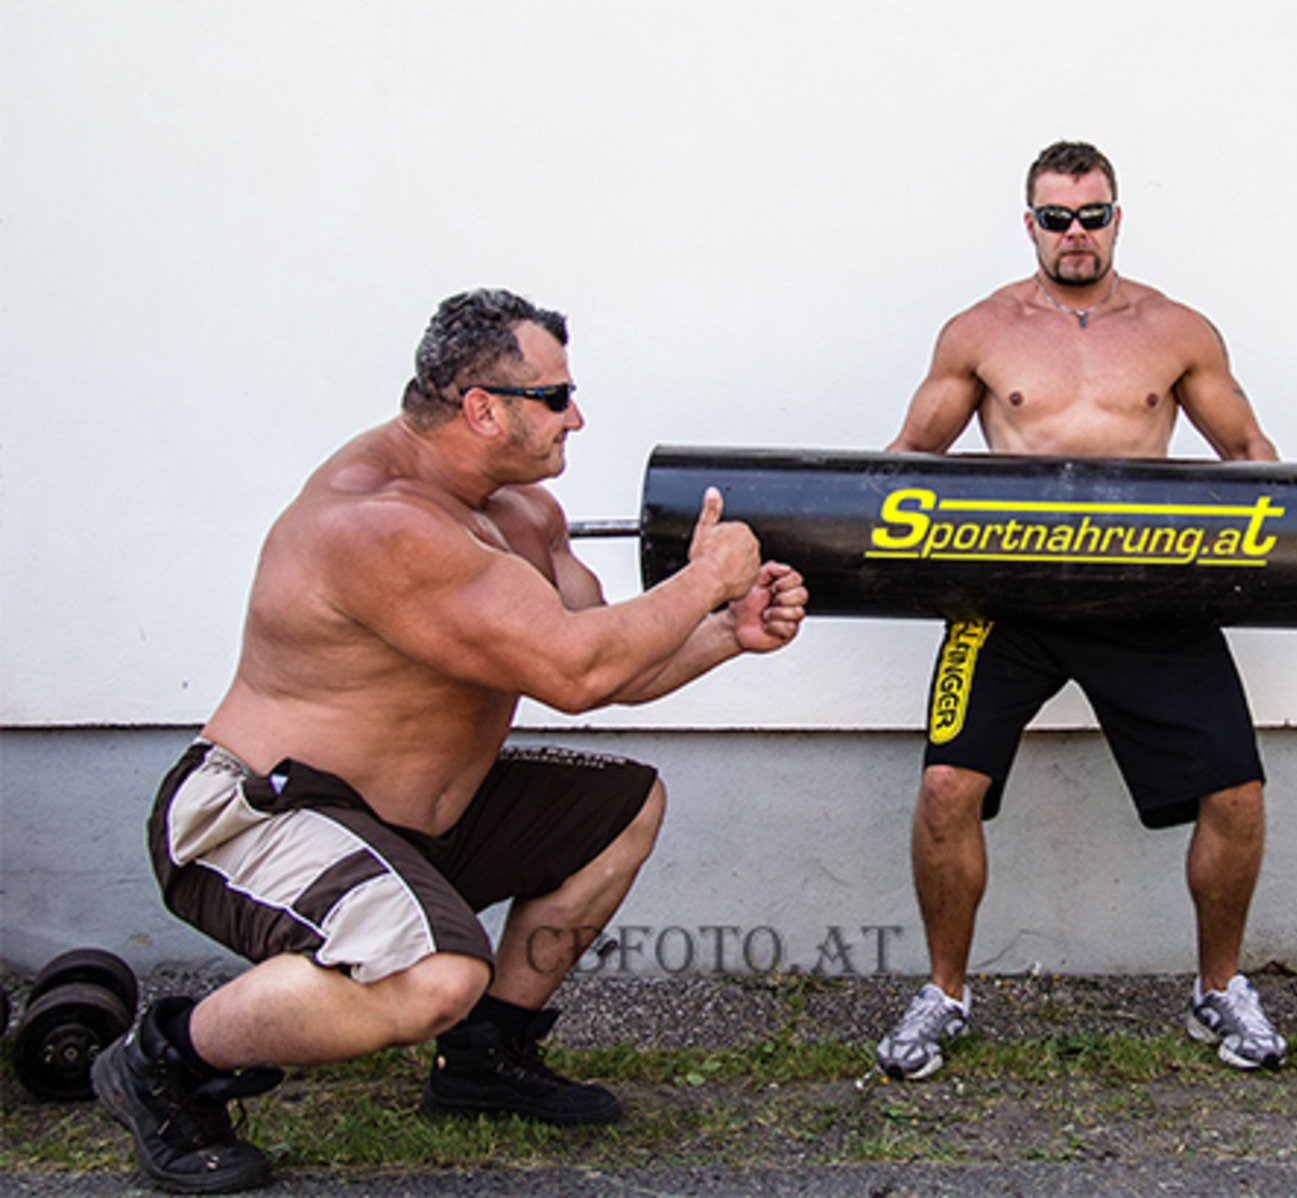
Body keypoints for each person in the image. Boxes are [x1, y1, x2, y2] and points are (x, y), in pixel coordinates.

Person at [92, 289, 806, 1194]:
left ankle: (483, 1059)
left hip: (410, 824)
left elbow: (603, 670)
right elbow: (574, 670)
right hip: (260, 816)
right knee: (436, 974)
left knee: (622, 806)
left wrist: (722, 632)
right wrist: (703, 578)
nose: (577, 417)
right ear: (482, 408)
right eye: (556, 397)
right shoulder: (381, 524)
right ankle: (164, 1060)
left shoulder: (519, 514)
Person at [875, 141, 1286, 1082]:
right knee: (947, 788)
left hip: (1148, 586)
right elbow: (912, 455)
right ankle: (944, 995)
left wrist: (1280, 522)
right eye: (1055, 218)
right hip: (1006, 592)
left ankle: (1218, 990)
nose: (1074, 234)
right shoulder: (978, 331)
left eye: (1091, 215)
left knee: (1237, 796)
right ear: (1030, 224)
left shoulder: (1177, 329)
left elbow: (1247, 446)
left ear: (1116, 218)